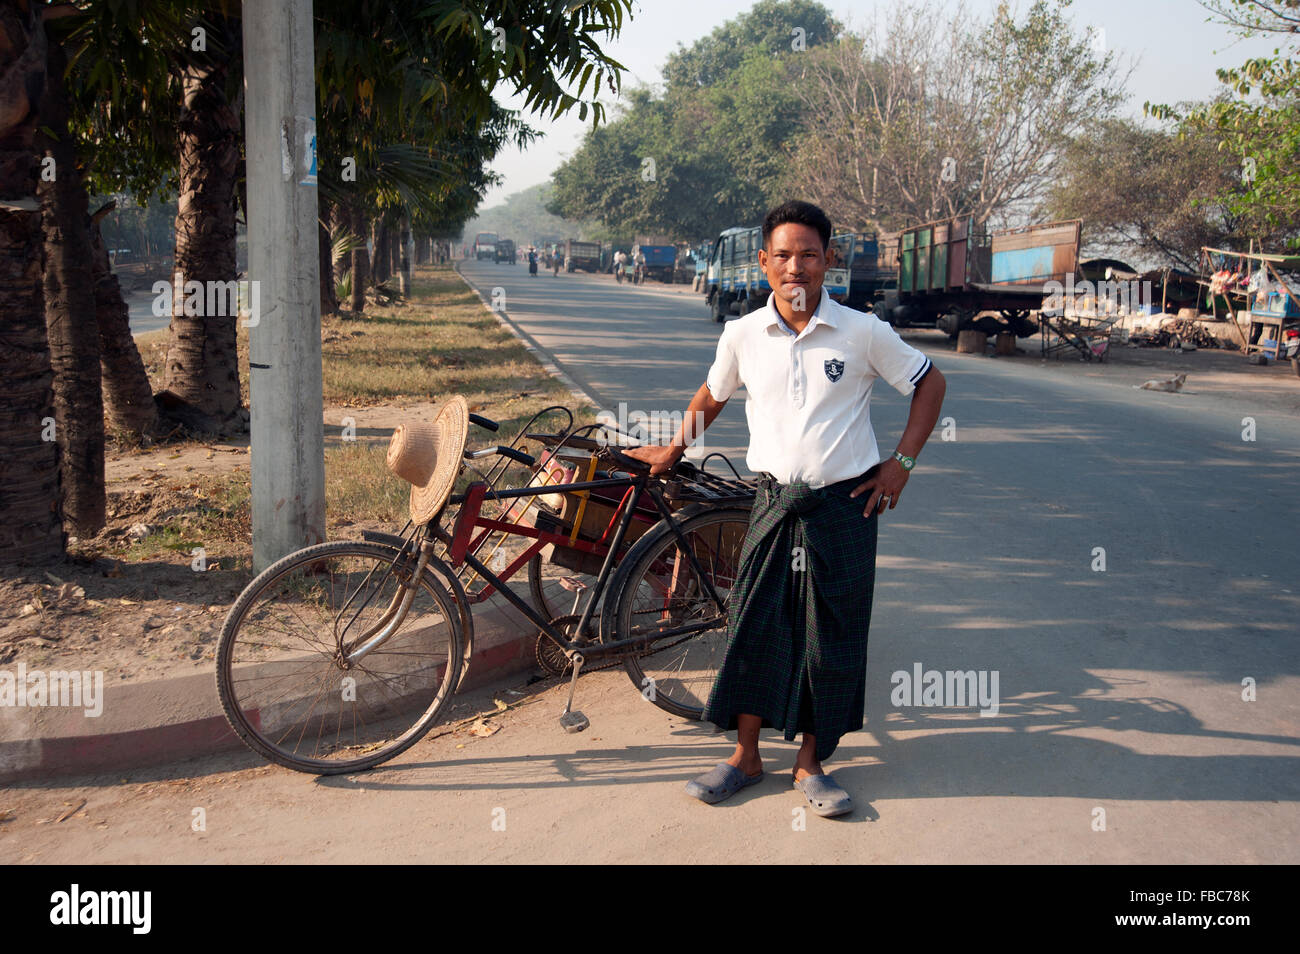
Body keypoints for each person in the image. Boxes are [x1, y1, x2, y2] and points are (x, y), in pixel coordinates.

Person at [624, 200, 946, 819]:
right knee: (755, 626)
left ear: (829, 260)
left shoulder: (862, 331)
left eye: (808, 254)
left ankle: (810, 762)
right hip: (772, 501)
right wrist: (673, 446)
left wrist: (900, 465)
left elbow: (930, 383)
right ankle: (745, 757)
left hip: (845, 507)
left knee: (831, 638)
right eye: (783, 255)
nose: (795, 267)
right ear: (765, 262)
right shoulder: (743, 333)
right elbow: (713, 394)